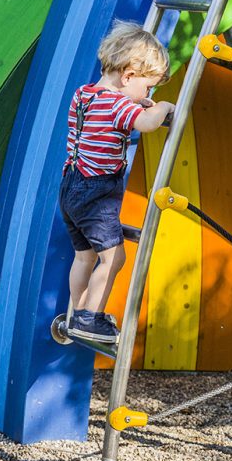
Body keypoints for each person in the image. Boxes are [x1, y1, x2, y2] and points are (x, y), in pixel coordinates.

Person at [59, 20, 174, 344]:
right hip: (97, 192)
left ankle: (78, 312)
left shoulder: (84, 95)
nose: (148, 95)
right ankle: (90, 319)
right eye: (148, 88)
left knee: (84, 257)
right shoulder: (119, 105)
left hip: (70, 186)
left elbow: (108, 118)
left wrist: (137, 101)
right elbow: (148, 123)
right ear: (128, 76)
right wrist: (164, 107)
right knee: (114, 258)